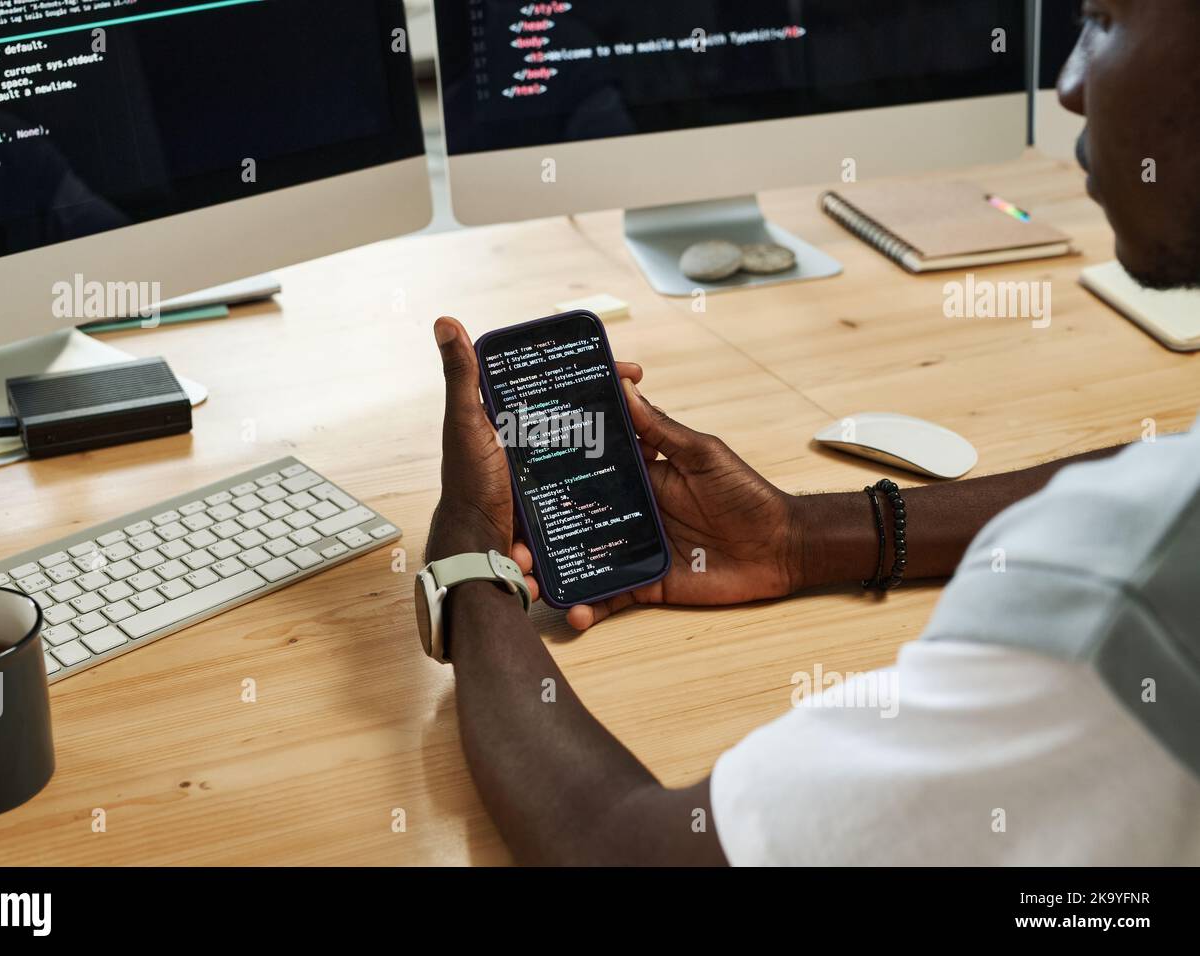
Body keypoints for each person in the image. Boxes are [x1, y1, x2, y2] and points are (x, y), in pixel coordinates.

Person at [421, 0, 1200, 865]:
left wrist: (468, 563)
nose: (1066, 85)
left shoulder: (1126, 600)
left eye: (1103, 19)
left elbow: (620, 849)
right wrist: (803, 537)